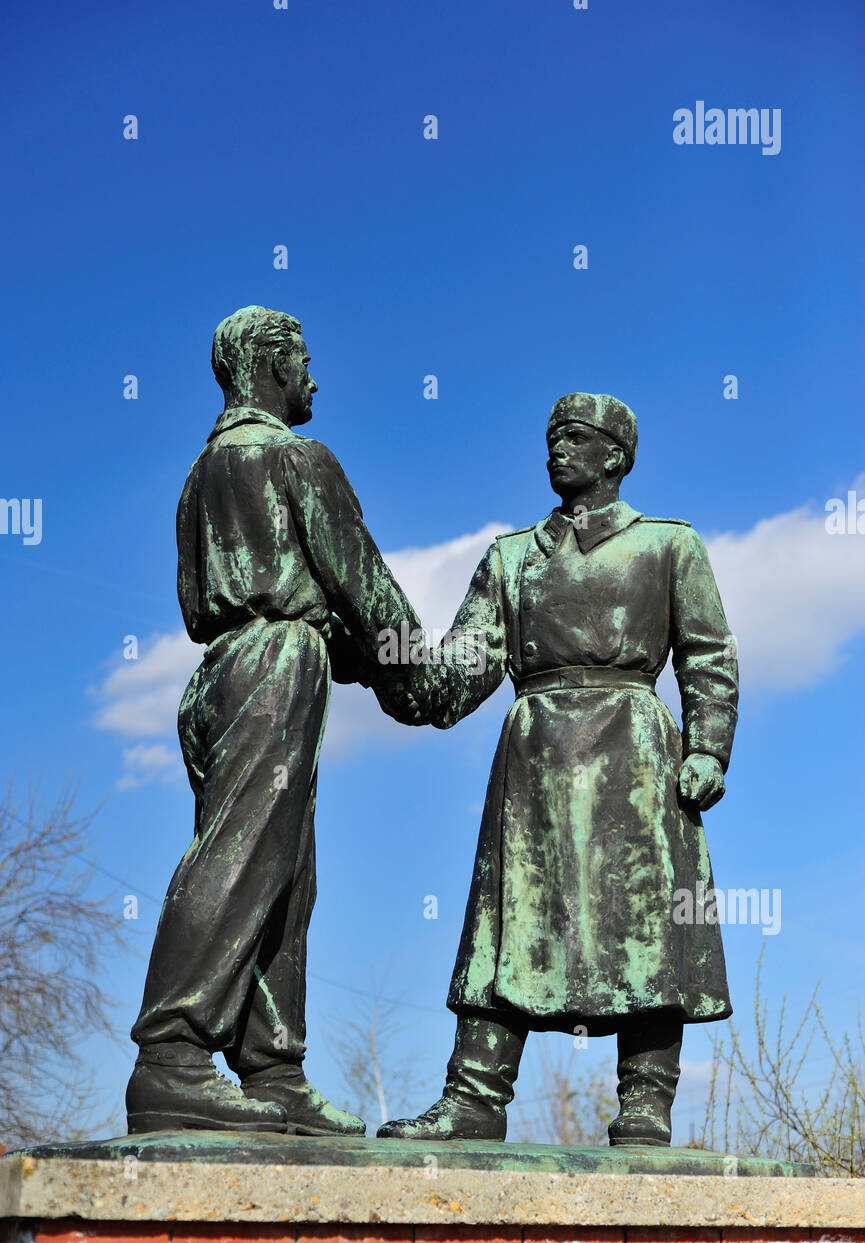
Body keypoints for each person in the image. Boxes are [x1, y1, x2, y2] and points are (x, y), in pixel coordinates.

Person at [379, 393, 739, 1147]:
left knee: (647, 927)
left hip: (636, 755)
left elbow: (706, 653)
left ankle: (645, 1102)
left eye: (573, 438)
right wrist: (384, 657)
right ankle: (474, 1097)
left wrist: (707, 745)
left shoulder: (668, 545)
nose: (555, 451)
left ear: (614, 454)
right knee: (506, 919)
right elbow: (462, 668)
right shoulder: (509, 558)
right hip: (535, 755)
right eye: (549, 438)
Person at [127, 306, 421, 1135]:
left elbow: (198, 602)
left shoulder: (199, 475)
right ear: (269, 365)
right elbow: (364, 589)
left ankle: (272, 1068)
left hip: (219, 672)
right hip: (275, 665)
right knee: (245, 851)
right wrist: (421, 682)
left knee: (284, 870)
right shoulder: (298, 459)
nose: (314, 379)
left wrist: (345, 649)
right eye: (304, 361)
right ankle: (174, 1055)